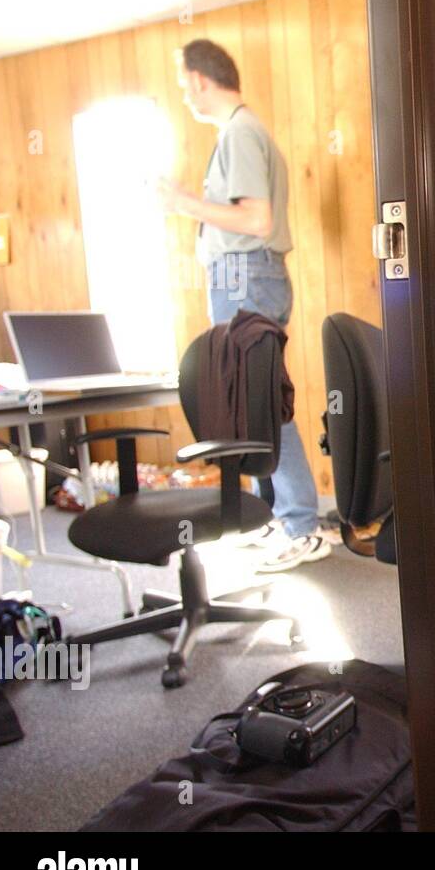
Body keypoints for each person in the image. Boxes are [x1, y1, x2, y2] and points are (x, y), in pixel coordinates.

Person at [157, 38, 329, 572]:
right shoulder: (241, 133)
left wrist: (185, 204)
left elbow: (254, 220)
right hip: (247, 278)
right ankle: (277, 517)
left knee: (258, 403)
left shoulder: (239, 133)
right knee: (251, 402)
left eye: (185, 85)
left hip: (246, 277)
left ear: (202, 80)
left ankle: (302, 524)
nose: (184, 95)